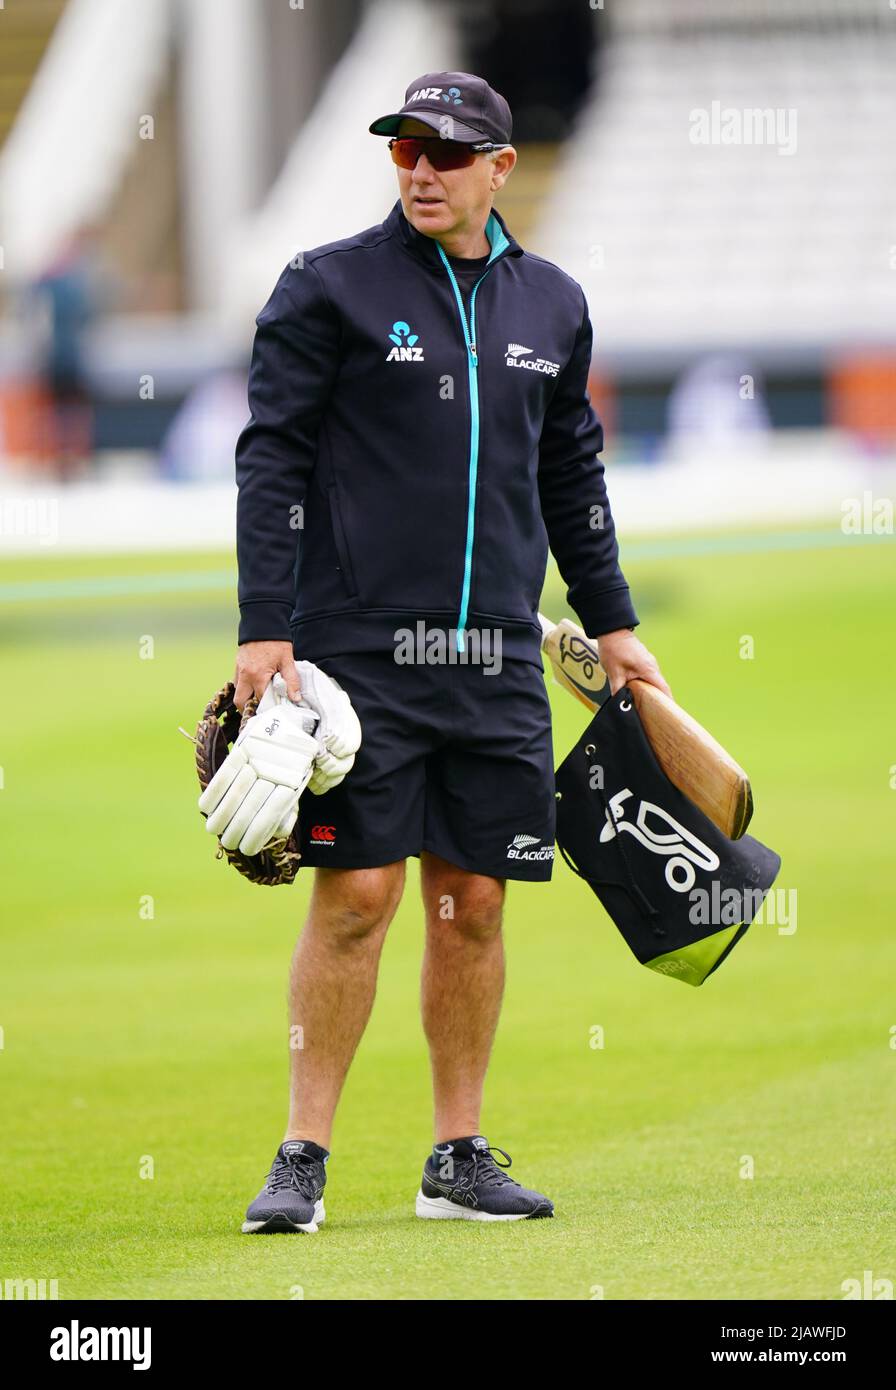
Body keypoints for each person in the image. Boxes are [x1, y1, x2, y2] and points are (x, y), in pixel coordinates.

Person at [234, 71, 669, 1232]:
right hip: (354, 656)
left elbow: (571, 475)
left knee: (472, 901)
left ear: (498, 167)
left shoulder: (553, 304)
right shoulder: (326, 286)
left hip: (493, 659)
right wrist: (261, 627)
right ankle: (301, 1155)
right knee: (357, 898)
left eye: (445, 150)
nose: (420, 169)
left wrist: (613, 621)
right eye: (403, 149)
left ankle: (456, 1155)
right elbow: (271, 456)